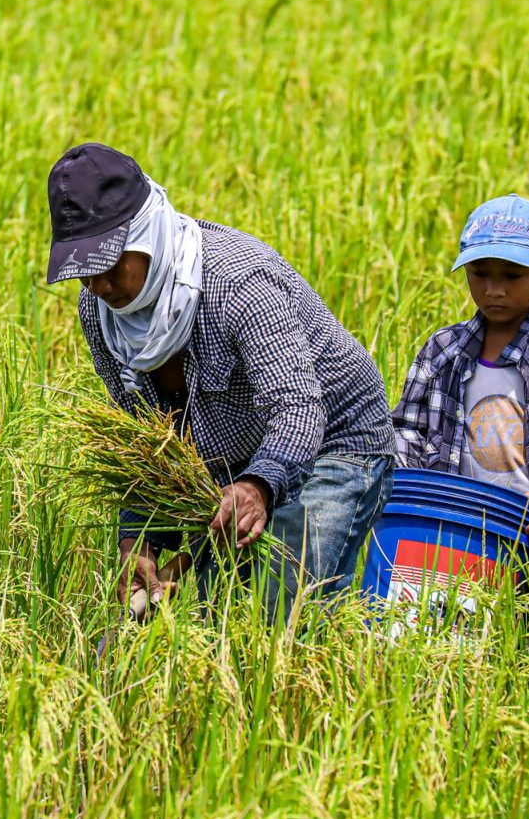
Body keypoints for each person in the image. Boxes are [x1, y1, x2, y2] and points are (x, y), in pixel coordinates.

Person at [45, 142, 395, 624]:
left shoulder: (236, 282)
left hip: (331, 442)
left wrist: (256, 486)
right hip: (230, 453)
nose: (98, 284)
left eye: (107, 263)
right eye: (83, 271)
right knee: (216, 620)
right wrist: (140, 542)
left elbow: (297, 406)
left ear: (145, 235)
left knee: (278, 612)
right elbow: (147, 442)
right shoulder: (101, 315)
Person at [390, 193, 529, 602]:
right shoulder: (442, 351)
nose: (494, 290)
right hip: (449, 539)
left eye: (512, 275)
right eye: (480, 274)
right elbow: (406, 432)